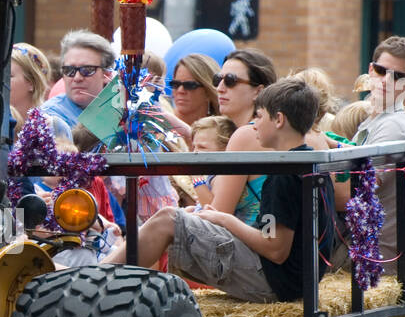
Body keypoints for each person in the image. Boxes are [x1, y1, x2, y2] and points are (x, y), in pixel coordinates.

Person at [107, 78, 328, 303]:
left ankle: (95, 279)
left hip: (274, 282)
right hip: (296, 281)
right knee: (180, 217)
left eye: (259, 116)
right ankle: (101, 274)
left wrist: (224, 220)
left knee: (168, 219)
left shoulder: (282, 176)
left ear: (279, 120)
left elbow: (275, 249)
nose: (254, 125)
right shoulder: (308, 162)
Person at [353, 35, 405, 264]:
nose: (385, 81)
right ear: (371, 70)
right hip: (357, 246)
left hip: (370, 258)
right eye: (382, 71)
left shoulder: (394, 125)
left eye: (398, 76)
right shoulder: (376, 120)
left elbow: (354, 193)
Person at [212, 48, 278, 226]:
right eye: (218, 79)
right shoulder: (271, 130)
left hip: (251, 248)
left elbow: (218, 214)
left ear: (258, 91)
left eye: (230, 81)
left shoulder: (247, 135)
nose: (219, 88)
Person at [40, 31, 117, 130]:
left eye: (87, 70)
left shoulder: (124, 110)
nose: (77, 78)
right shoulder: (49, 116)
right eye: (69, 70)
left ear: (107, 74)